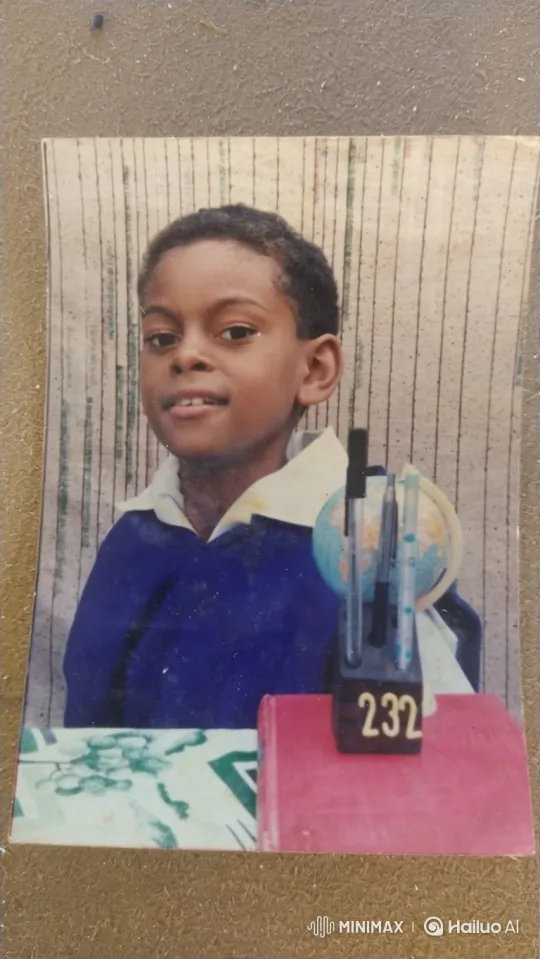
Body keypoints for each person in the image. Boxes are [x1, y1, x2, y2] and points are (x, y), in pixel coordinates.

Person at [63, 204, 349, 729]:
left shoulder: (373, 548)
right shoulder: (132, 539)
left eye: (235, 331)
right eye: (162, 337)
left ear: (315, 369)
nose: (185, 356)